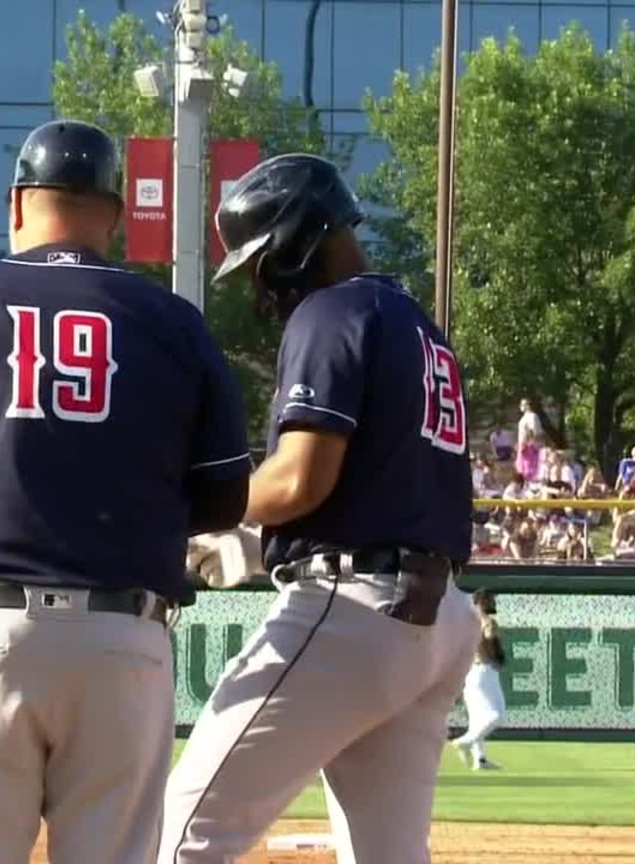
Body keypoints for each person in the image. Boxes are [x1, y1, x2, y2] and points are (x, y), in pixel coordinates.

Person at [0, 119, 250, 864]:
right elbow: (224, 498)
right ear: (118, 215)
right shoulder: (174, 323)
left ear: (16, 202)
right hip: (123, 639)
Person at [159, 154, 480, 863]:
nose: (257, 282)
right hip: (438, 613)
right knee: (389, 854)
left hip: (354, 610)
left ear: (299, 237)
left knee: (184, 832)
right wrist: (252, 525)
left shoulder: (331, 312)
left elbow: (301, 480)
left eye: (258, 259)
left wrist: (188, 507)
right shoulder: (417, 323)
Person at [450, 589, 507, 770]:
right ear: (481, 602)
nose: (493, 603)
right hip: (485, 671)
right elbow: (491, 640)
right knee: (498, 716)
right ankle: (465, 741)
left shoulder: (464, 623)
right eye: (489, 600)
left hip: (471, 673)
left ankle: (480, 759)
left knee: (477, 719)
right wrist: (495, 645)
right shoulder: (488, 622)